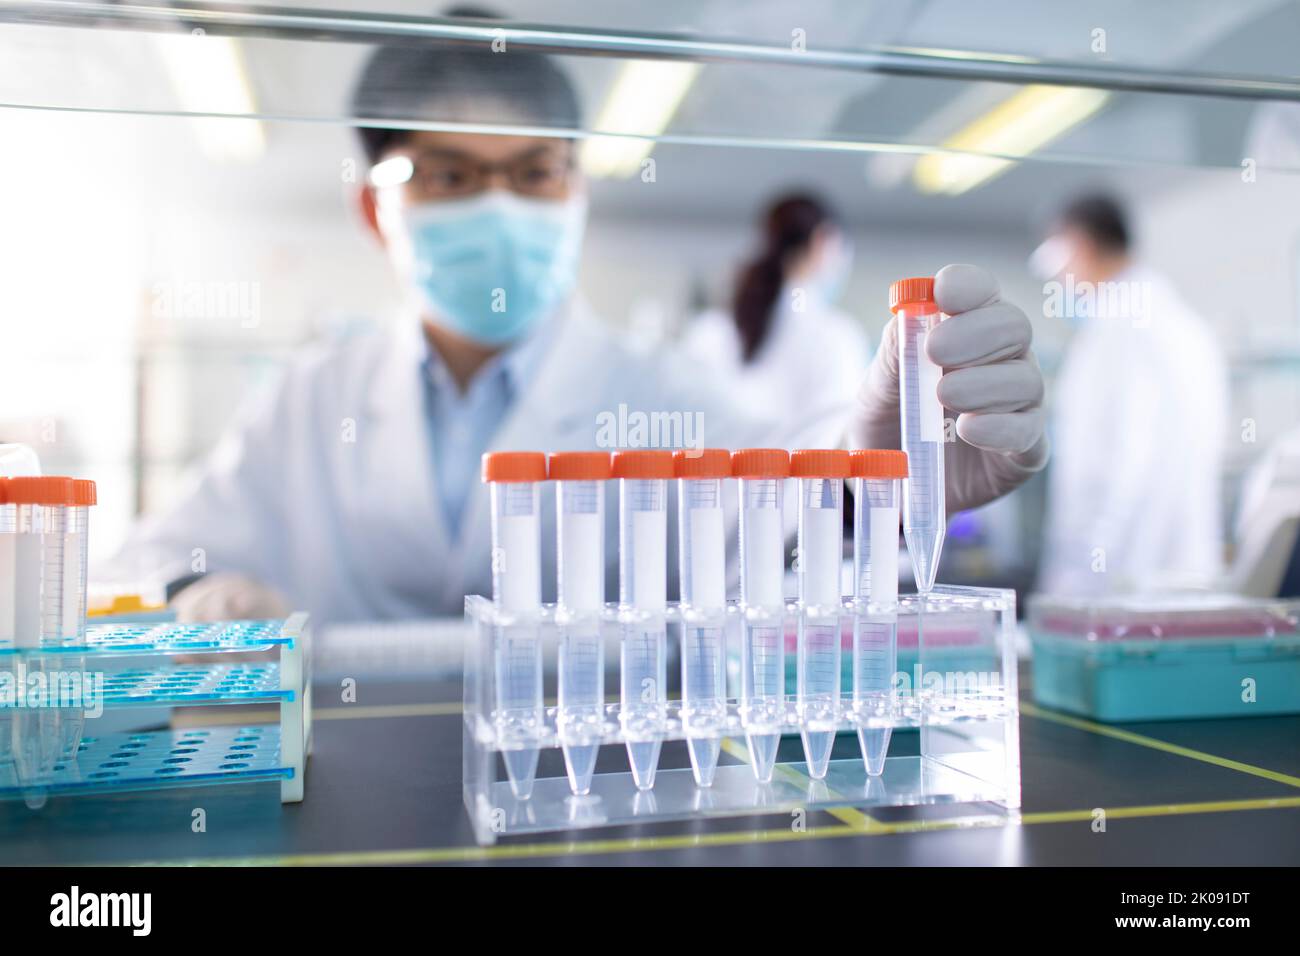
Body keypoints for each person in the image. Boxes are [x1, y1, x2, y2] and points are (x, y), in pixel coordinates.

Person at [107, 23, 1049, 625]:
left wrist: (870, 472)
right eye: (448, 175)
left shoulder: (659, 392)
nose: (499, 205)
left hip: (578, 797)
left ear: (577, 194)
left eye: (533, 174)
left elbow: (778, 482)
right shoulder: (311, 402)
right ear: (373, 212)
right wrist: (200, 591)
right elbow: (152, 554)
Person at [1032, 194, 1228, 596]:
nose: (1058, 278)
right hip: (1182, 574)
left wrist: (1078, 584)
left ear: (1078, 245)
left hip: (1120, 586)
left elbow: (1111, 471)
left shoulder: (1116, 332)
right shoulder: (1184, 326)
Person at [681, 194, 870, 422]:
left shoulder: (709, 331)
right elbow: (840, 437)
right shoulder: (838, 337)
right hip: (804, 459)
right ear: (823, 241)